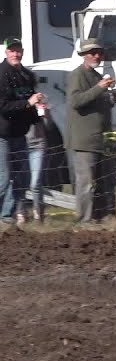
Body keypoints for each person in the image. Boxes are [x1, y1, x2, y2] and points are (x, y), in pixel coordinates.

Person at [66, 39, 116, 224]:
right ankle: (84, 219)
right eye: (92, 52)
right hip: (84, 138)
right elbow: (76, 101)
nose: (97, 55)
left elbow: (98, 103)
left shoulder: (94, 75)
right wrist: (99, 88)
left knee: (99, 180)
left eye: (99, 52)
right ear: (84, 55)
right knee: (86, 182)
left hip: (98, 137)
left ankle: (98, 217)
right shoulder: (77, 75)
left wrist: (112, 97)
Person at [0, 40, 42, 226]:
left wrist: (37, 117)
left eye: (18, 51)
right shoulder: (1, 74)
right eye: (12, 50)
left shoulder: (26, 75)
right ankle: (4, 215)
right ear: (6, 51)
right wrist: (27, 103)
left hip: (20, 133)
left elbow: (30, 100)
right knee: (3, 177)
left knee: (22, 177)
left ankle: (8, 215)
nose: (15, 54)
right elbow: (3, 106)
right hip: (2, 134)